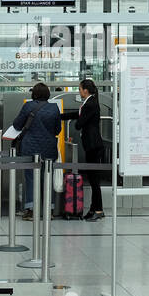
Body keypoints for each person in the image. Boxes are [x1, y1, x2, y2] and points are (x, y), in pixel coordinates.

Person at [9, 81, 62, 221]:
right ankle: (48, 211)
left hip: (31, 148)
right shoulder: (54, 108)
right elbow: (58, 130)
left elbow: (17, 124)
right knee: (47, 178)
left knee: (31, 178)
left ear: (34, 94)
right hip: (49, 148)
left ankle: (31, 210)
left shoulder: (28, 106)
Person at [62, 78, 105, 220]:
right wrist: (60, 116)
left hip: (93, 145)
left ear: (85, 90)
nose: (79, 91)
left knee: (94, 180)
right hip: (92, 145)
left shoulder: (90, 104)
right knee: (93, 180)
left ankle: (98, 210)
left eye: (80, 89)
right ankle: (94, 209)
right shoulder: (89, 102)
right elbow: (78, 114)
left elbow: (79, 123)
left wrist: (77, 121)